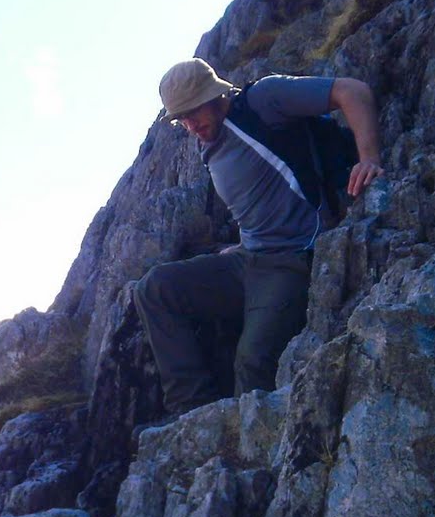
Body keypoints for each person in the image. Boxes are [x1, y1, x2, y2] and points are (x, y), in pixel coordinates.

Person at [135, 57, 384, 416]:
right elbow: (262, 194)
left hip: (291, 258)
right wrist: (242, 242)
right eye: (181, 119)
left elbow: (352, 91)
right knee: (154, 289)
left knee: (252, 364)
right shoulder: (209, 141)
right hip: (248, 259)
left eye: (193, 112)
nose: (190, 125)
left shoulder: (265, 100)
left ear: (215, 95)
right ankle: (191, 415)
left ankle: (242, 438)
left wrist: (368, 159)